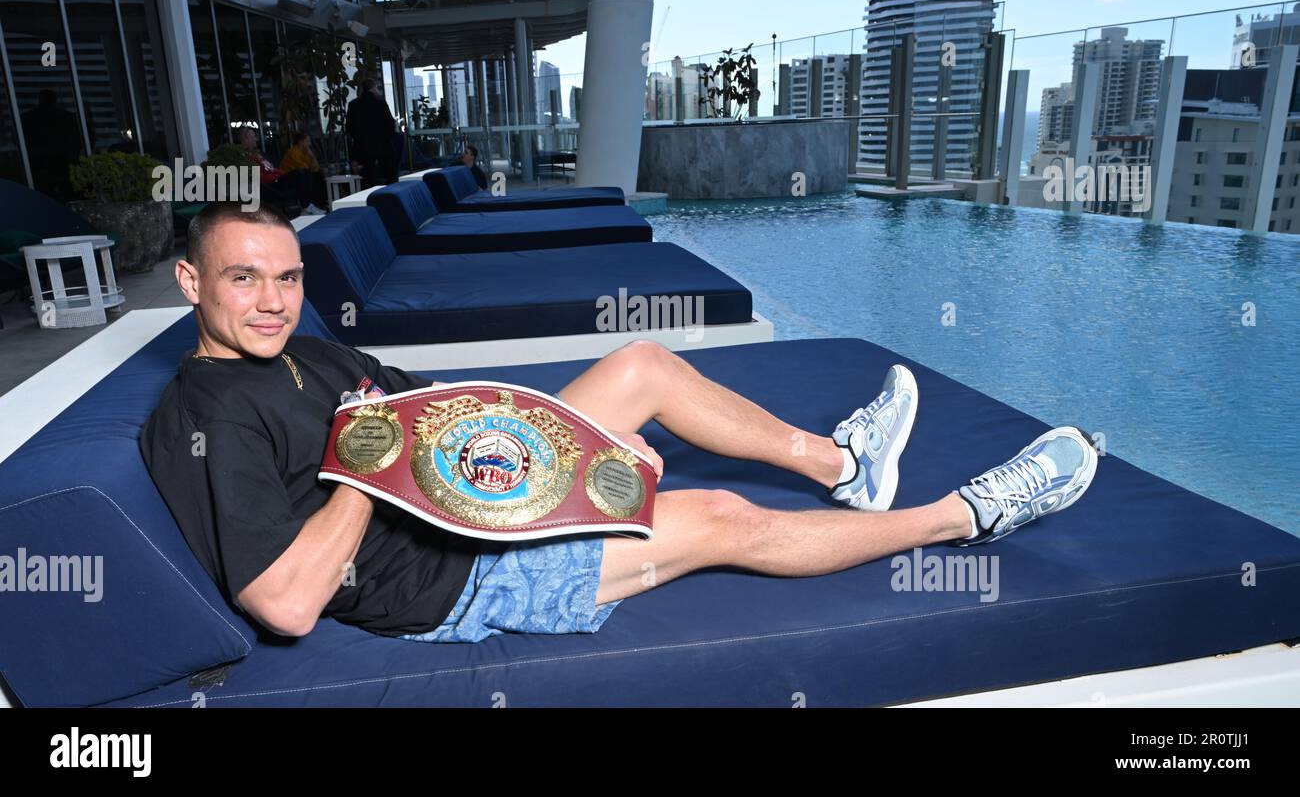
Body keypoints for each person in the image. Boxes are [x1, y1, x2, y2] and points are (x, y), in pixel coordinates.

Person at [140, 203, 1100, 642]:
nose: (272, 301)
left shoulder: (303, 350)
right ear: (191, 282)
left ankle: (840, 461)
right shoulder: (208, 420)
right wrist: (363, 468)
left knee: (642, 366)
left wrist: (577, 457)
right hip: (450, 578)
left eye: (287, 277)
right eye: (241, 278)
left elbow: (430, 408)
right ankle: (968, 516)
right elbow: (287, 605)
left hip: (474, 487)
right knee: (718, 513)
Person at [236, 126, 312, 214]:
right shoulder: (246, 158)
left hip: (277, 179)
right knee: (299, 173)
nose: (256, 139)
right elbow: (260, 177)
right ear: (245, 140)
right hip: (271, 184)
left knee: (306, 172)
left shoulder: (257, 154)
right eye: (253, 137)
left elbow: (271, 168)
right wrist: (277, 176)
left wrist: (281, 173)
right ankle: (306, 207)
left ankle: (307, 206)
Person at [346, 79, 397, 188]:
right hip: (382, 145)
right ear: (373, 88)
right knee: (391, 175)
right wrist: (386, 138)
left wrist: (359, 138)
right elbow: (390, 124)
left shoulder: (353, 104)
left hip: (363, 147)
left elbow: (349, 127)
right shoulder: (381, 102)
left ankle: (370, 199)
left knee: (368, 178)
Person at [278, 132, 327, 213]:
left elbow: (315, 168)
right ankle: (306, 206)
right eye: (307, 141)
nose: (309, 144)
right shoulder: (293, 152)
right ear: (300, 142)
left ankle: (318, 203)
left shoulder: (306, 152)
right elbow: (302, 167)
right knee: (305, 173)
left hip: (300, 176)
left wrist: (312, 157)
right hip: (287, 177)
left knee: (318, 174)